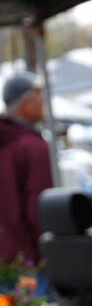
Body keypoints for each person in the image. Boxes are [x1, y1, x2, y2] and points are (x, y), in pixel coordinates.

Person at [0, 71, 53, 268]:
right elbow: (39, 209)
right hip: (28, 258)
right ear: (25, 102)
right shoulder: (33, 147)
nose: (43, 101)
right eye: (38, 95)